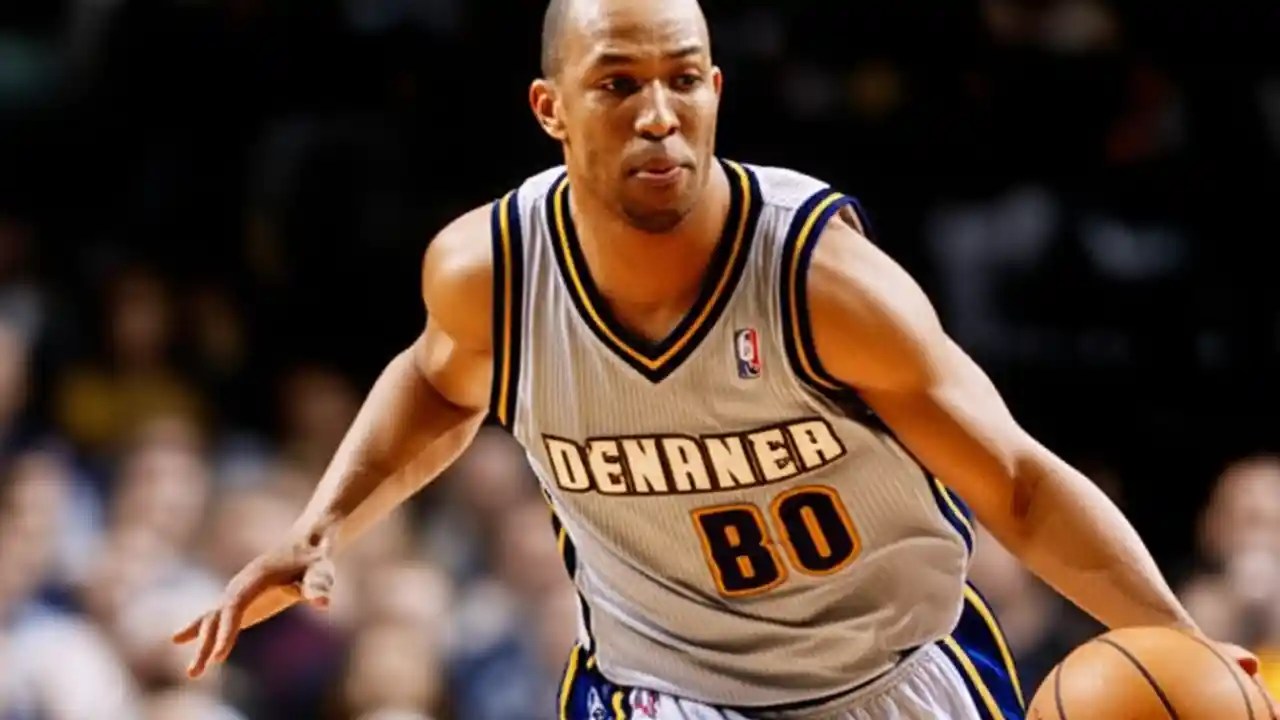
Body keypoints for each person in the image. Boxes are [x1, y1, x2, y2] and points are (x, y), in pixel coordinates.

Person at [174, 0, 1276, 717]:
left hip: (889, 674)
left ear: (715, 91)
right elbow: (433, 381)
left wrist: (1178, 642)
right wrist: (320, 523)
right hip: (663, 688)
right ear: (552, 109)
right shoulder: (492, 274)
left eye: (684, 78)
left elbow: (1018, 485)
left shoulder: (819, 279)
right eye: (618, 84)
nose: (658, 114)